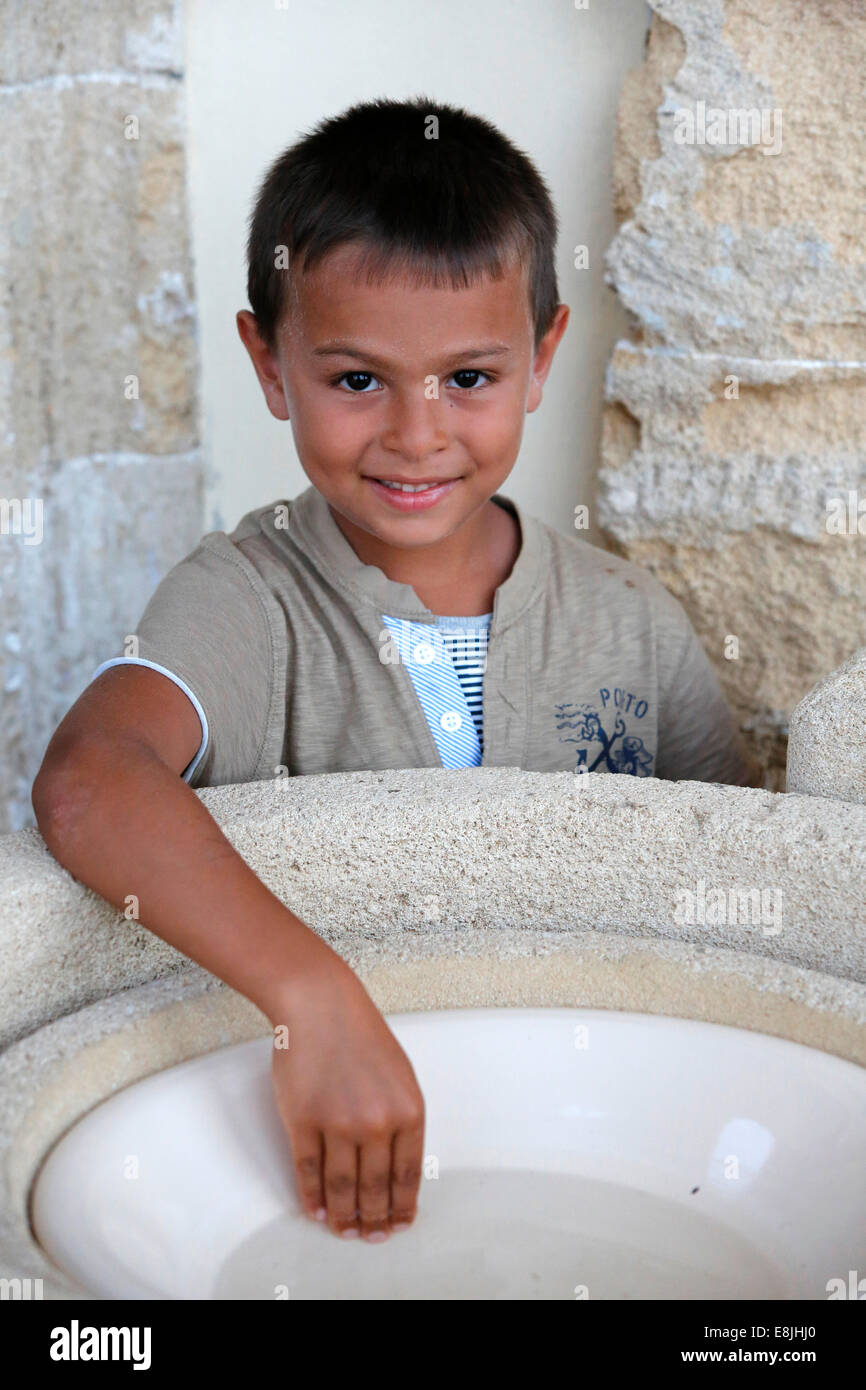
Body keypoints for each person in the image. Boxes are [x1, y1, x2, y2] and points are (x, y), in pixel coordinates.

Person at [32, 96, 760, 1247]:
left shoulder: (632, 622)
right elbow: (87, 784)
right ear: (269, 364)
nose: (416, 434)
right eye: (356, 379)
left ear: (542, 359)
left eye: (467, 377)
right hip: (316, 1166)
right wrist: (310, 1001)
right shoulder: (246, 596)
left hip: (579, 1157)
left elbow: (728, 900)